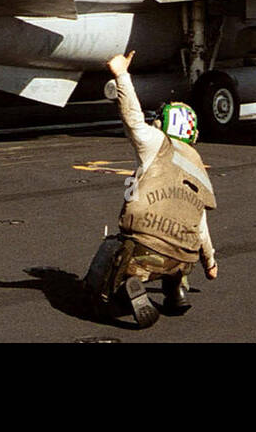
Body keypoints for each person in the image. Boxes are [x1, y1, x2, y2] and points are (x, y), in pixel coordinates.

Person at [83, 50, 218, 328]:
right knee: (181, 244)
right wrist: (210, 262)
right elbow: (201, 225)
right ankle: (177, 293)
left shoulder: (156, 142)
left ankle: (125, 287)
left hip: (145, 248)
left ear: (163, 124)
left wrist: (121, 75)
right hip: (183, 257)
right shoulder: (197, 165)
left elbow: (132, 117)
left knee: (111, 260)